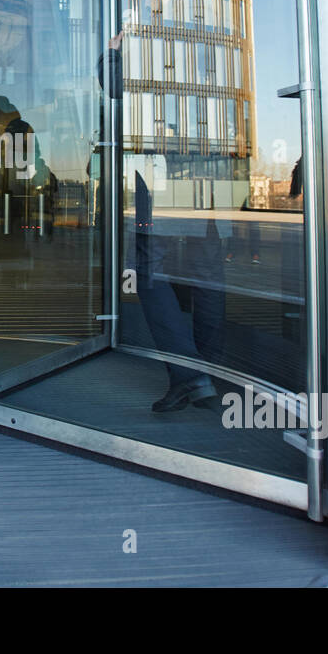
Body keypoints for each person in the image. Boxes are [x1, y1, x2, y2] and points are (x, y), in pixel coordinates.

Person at [101, 28, 218, 412]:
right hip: (209, 188)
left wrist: (112, 54)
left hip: (158, 186)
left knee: (149, 278)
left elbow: (117, 93)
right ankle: (214, 376)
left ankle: (191, 377)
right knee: (206, 281)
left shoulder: (146, 43)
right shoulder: (205, 44)